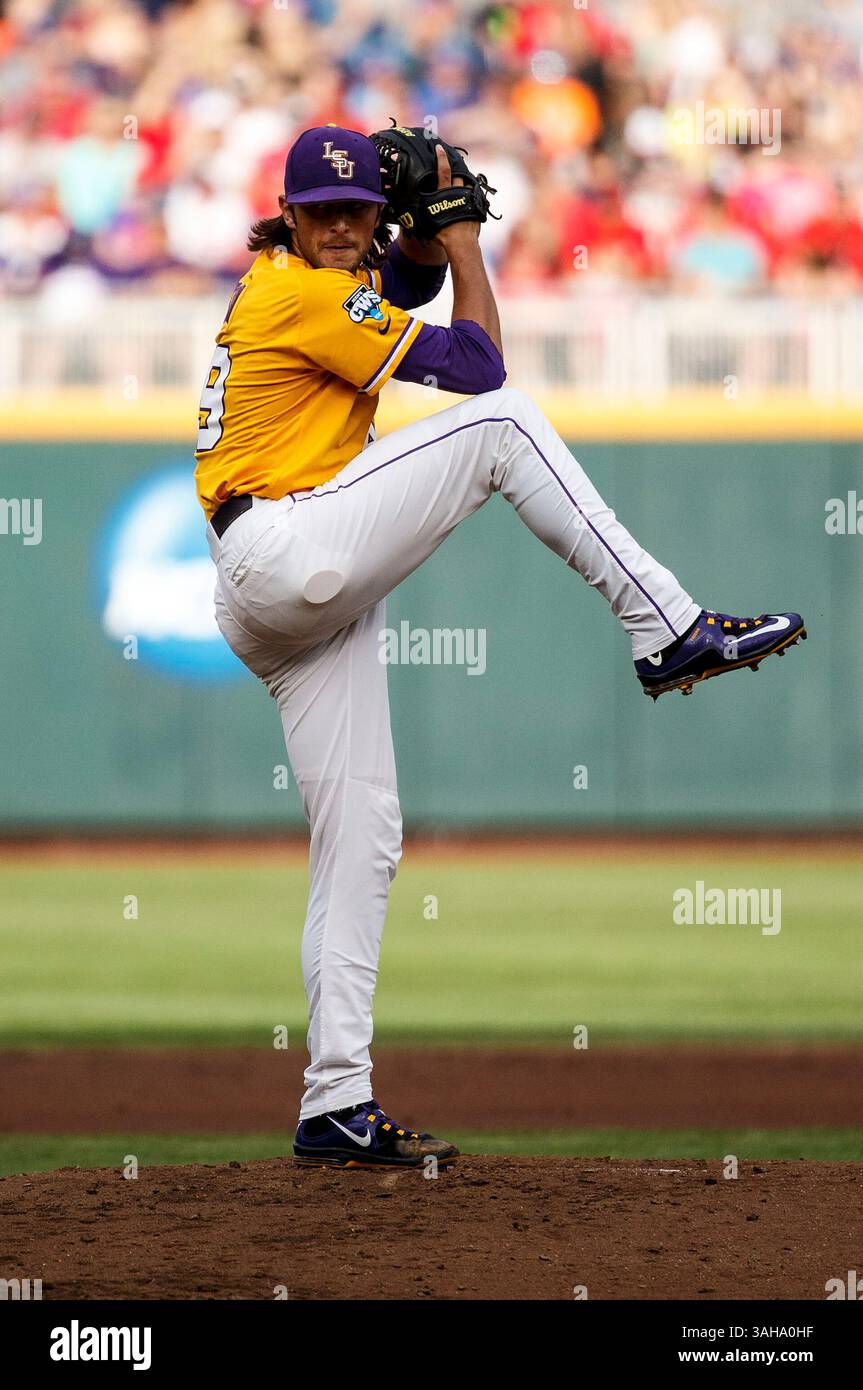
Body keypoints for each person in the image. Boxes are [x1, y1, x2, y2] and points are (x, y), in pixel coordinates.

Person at [194, 125, 805, 1170]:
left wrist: (427, 232)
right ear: (288, 216)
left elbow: (401, 292)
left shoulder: (309, 284)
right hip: (287, 547)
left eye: (354, 209)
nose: (340, 227)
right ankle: (665, 626)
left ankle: (334, 1100)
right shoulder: (295, 287)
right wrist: (465, 233)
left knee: (363, 837)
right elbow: (476, 366)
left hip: (284, 583)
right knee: (505, 423)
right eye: (320, 210)